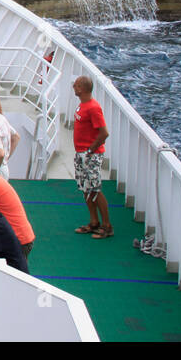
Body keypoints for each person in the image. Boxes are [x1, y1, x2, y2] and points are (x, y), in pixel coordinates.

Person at [71, 75, 113, 239]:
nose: (74, 87)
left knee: (95, 188)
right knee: (86, 187)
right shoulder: (82, 106)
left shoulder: (93, 108)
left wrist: (90, 151)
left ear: (82, 88)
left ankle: (107, 225)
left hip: (90, 154)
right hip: (81, 153)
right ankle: (94, 221)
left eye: (76, 85)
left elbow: (104, 133)